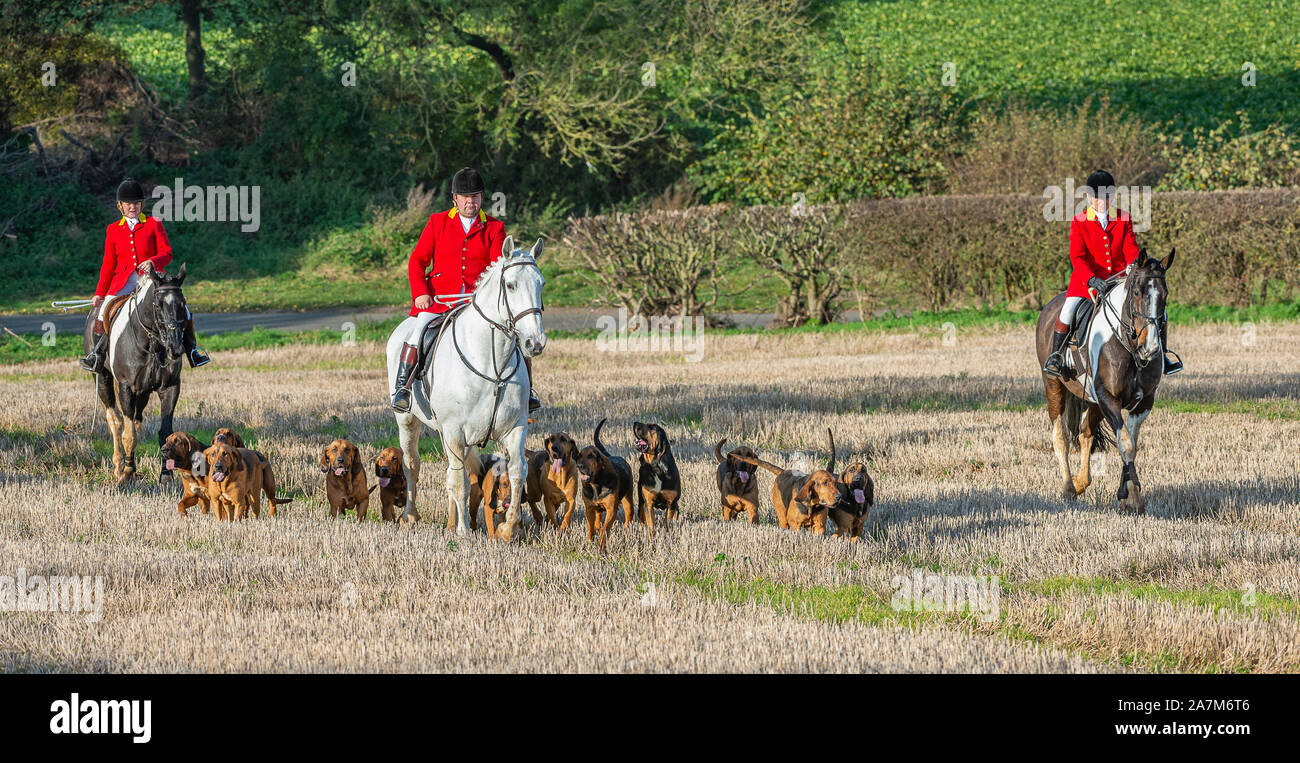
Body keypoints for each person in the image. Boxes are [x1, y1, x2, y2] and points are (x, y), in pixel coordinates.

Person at [390, 167, 541, 413]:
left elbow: (497, 269)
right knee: (417, 331)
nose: (471, 202)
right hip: (440, 300)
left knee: (513, 336)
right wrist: (420, 293)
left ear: (482, 198)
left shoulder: (494, 227)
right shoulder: (437, 222)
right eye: (465, 197)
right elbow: (417, 261)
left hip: (476, 303)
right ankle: (402, 389)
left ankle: (528, 391)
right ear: (455, 199)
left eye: (476, 197)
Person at [1042, 170, 1182, 378]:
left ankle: (1163, 355)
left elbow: (1131, 249)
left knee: (1156, 311)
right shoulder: (1079, 221)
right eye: (1098, 197)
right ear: (1089, 197)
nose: (1102, 201)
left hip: (1118, 280)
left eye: (1107, 196)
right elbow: (1077, 258)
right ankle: (1056, 356)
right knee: (1067, 310)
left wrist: (1137, 266)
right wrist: (1091, 279)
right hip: (1086, 282)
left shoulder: (1123, 218)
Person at [80, 178, 209, 372]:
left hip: (151, 279)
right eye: (128, 204)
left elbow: (167, 253)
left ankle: (192, 350)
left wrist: (153, 262)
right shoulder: (113, 230)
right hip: (123, 281)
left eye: (136, 203)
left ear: (142, 204)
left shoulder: (153, 224)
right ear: (120, 206)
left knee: (184, 309)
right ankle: (97, 354)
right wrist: (100, 292)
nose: (133, 207)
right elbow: (108, 265)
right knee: (103, 311)